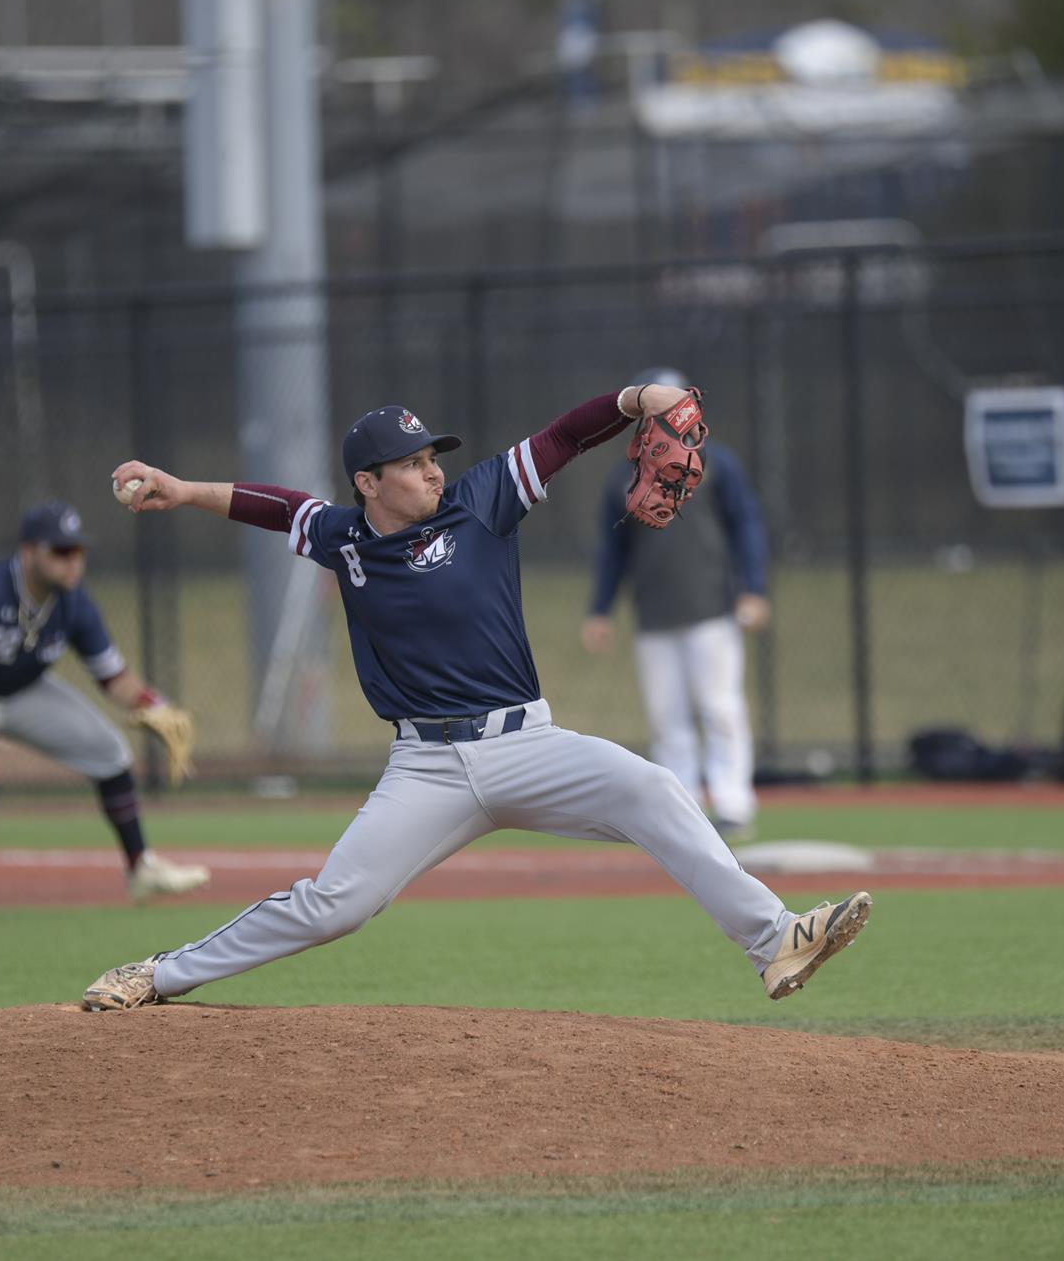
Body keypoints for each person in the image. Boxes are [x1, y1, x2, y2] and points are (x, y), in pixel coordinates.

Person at [80, 386, 871, 1011]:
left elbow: (564, 437)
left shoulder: (483, 498)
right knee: (335, 905)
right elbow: (278, 506)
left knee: (653, 788)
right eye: (411, 463)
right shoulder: (344, 538)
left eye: (432, 457)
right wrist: (183, 490)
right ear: (368, 483)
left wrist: (635, 400)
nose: (432, 471)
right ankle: (160, 973)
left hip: (528, 744)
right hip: (425, 769)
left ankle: (776, 939)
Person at [0, 501, 211, 924]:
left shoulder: (74, 603)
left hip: (23, 690)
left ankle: (142, 870)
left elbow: (113, 677)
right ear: (29, 553)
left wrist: (156, 704)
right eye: (61, 551)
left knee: (109, 751)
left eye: (78, 551)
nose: (73, 561)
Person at [582, 368, 771, 841]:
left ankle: (732, 803)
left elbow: (746, 525)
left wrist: (753, 587)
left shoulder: (717, 463)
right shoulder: (624, 476)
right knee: (668, 719)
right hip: (654, 614)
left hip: (712, 610)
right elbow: (613, 551)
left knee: (720, 708)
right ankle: (683, 809)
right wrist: (600, 609)